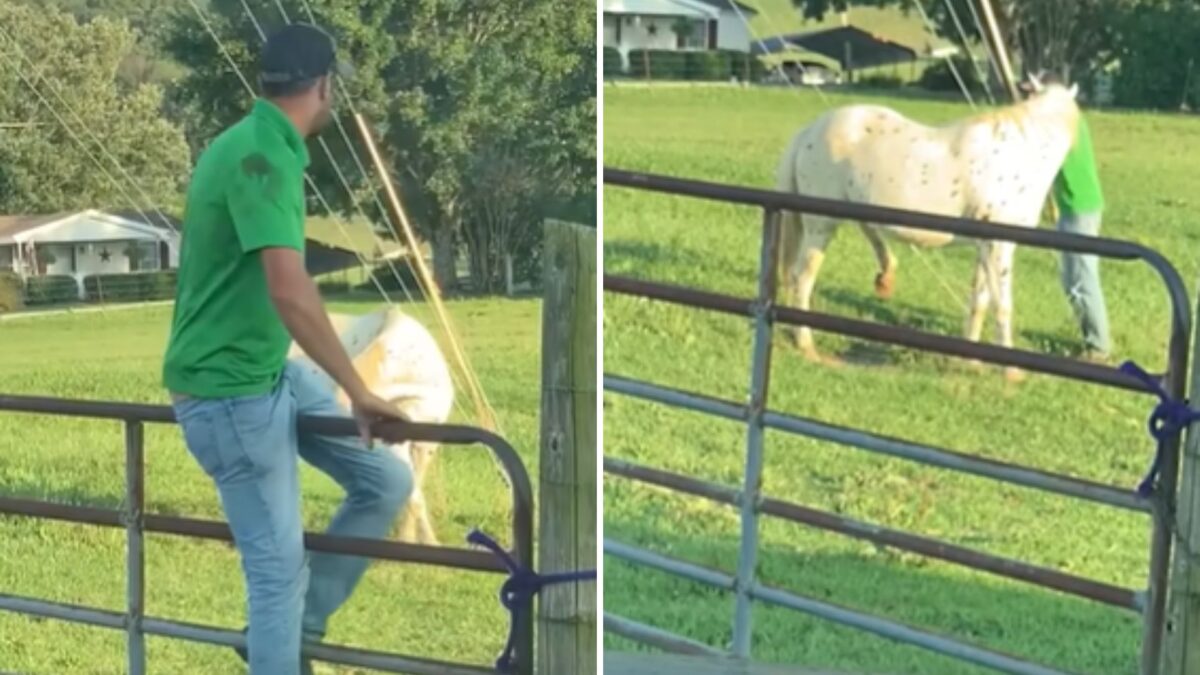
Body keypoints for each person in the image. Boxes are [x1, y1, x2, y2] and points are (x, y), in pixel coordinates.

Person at [161, 23, 412, 674]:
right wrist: (358, 391)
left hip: (264, 374)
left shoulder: (247, 144)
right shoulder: (263, 160)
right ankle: (283, 640)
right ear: (324, 87)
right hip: (230, 395)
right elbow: (289, 290)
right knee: (275, 576)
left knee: (386, 479)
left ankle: (299, 628)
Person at [1029, 70, 1113, 362]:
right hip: (1075, 206)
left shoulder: (1062, 122)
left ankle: (1098, 346)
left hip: (1079, 207)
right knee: (1072, 278)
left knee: (1081, 277)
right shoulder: (1069, 117)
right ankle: (1091, 337)